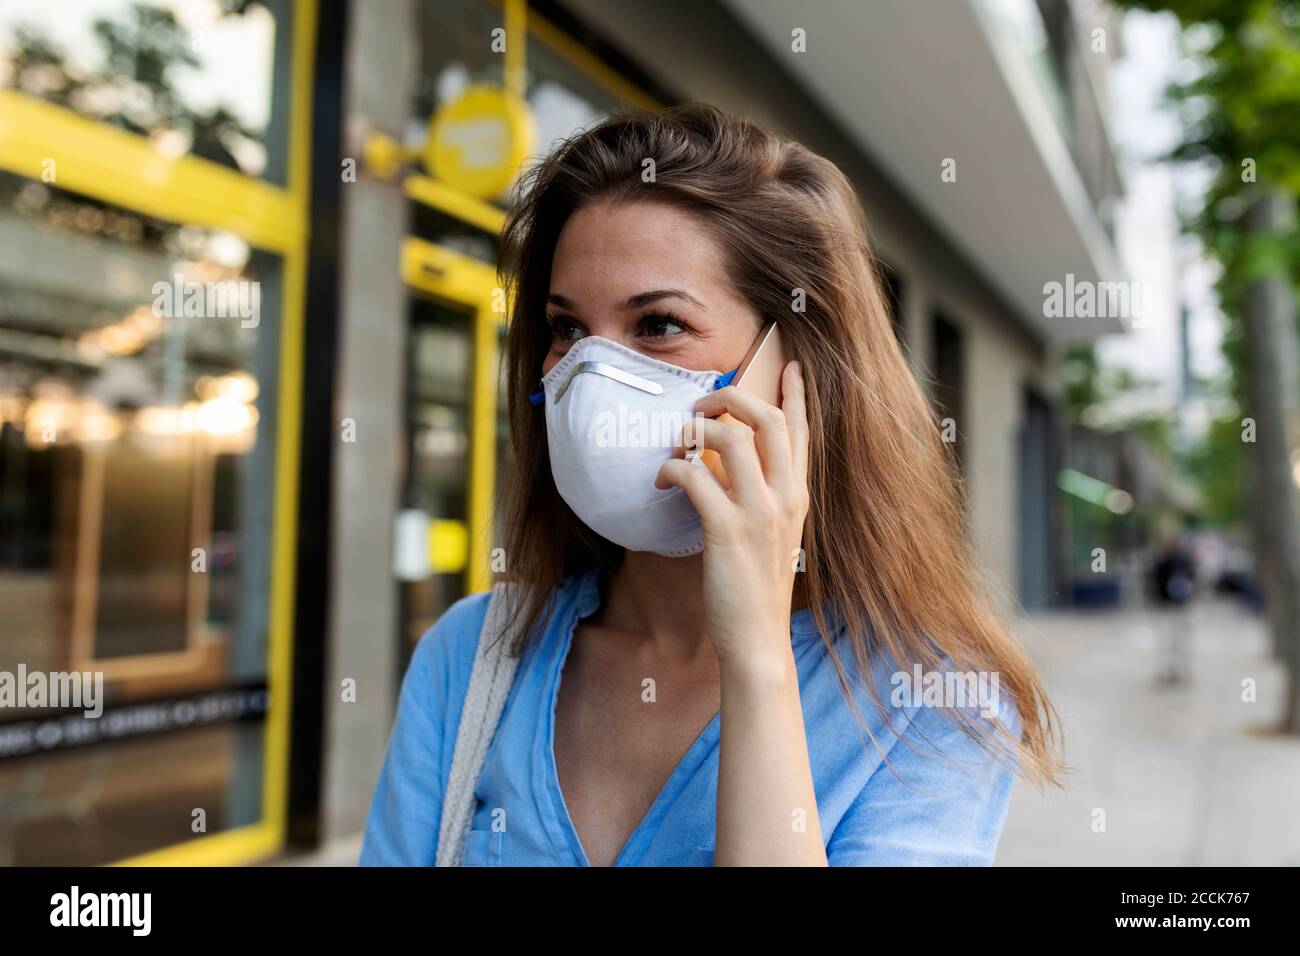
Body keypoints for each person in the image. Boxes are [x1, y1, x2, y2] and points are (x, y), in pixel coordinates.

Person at [360, 104, 1061, 867]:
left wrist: (757, 656)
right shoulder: (471, 654)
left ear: (795, 368)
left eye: (658, 324)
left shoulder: (934, 702)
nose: (590, 380)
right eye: (566, 329)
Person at [1151, 533, 1197, 685]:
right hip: (1170, 605)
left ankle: (1176, 670)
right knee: (1170, 640)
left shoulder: (1175, 561)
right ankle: (1171, 670)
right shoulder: (1168, 561)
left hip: (1174, 606)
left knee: (1175, 640)